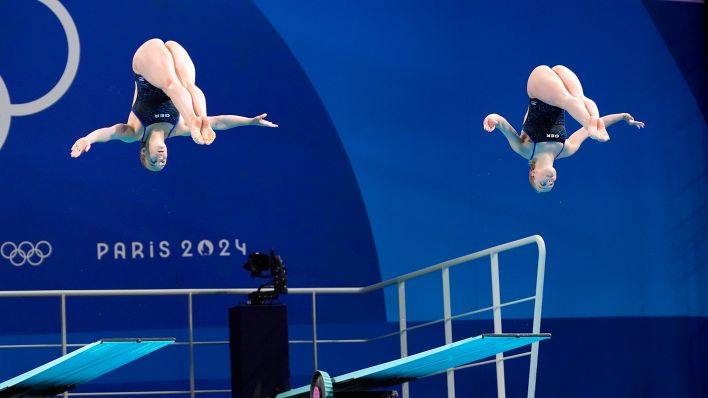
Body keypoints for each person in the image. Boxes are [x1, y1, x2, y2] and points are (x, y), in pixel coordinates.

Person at [70, 38, 277, 171]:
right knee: (187, 85)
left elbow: (109, 133)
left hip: (146, 62)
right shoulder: (178, 130)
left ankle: (196, 119)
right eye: (163, 162)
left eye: (153, 161)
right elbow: (221, 122)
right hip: (176, 74)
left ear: (144, 153)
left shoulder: (134, 133)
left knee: (171, 85)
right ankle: (200, 119)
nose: (160, 159)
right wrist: (250, 122)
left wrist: (88, 139)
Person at [483, 65, 644, 192]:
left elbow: (504, 125)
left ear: (533, 174)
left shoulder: (526, 151)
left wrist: (493, 119)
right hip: (560, 80)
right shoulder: (566, 150)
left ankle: (593, 125)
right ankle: (594, 124)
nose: (549, 181)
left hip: (538, 86)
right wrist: (623, 117)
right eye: (551, 184)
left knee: (569, 102)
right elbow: (585, 132)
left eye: (543, 184)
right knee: (580, 99)